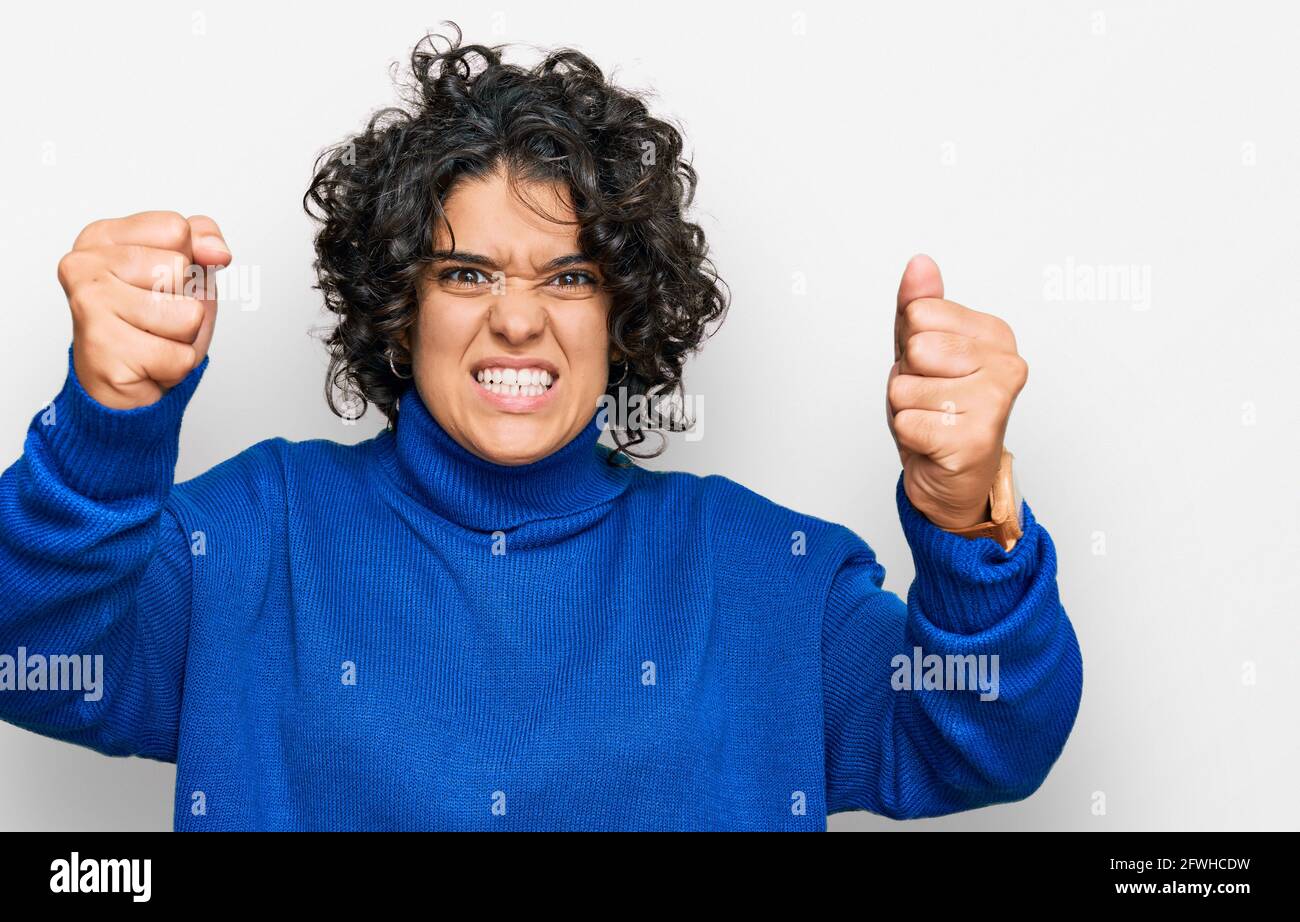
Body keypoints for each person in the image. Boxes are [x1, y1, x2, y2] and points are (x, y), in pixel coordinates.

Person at [0, 25, 1082, 831]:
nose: (516, 316)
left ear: (624, 312)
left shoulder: (764, 577)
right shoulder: (248, 540)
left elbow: (983, 738)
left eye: (569, 275)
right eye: (465, 271)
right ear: (400, 303)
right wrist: (109, 427)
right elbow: (26, 653)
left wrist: (961, 518)